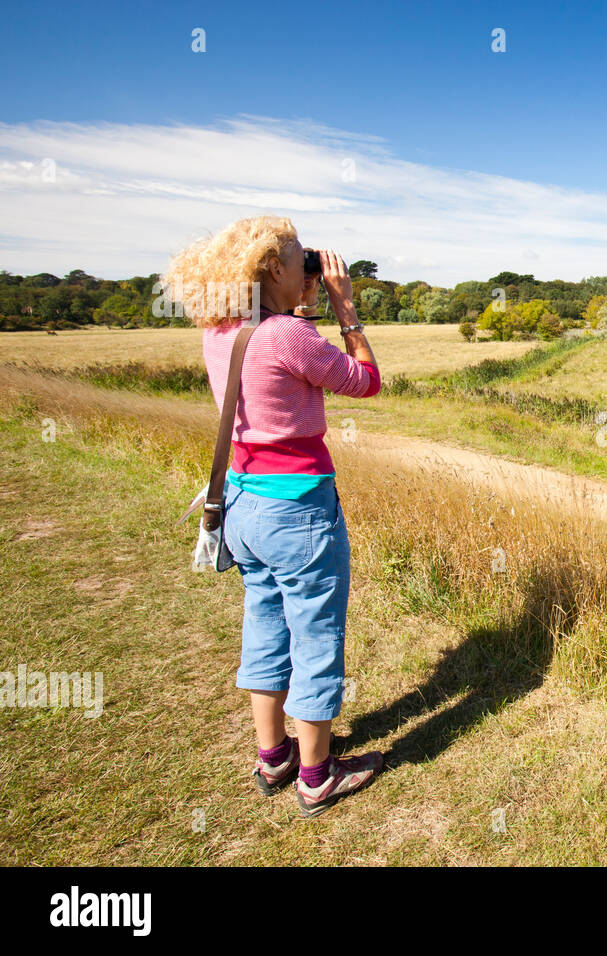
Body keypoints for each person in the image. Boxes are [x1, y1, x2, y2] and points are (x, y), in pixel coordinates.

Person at [165, 216, 383, 817]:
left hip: (241, 501)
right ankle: (317, 775)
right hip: (297, 509)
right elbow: (365, 381)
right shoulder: (288, 335)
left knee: (264, 625)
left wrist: (303, 297)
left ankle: (274, 757)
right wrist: (344, 308)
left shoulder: (222, 330)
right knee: (315, 634)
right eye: (299, 258)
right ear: (271, 269)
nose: (310, 264)